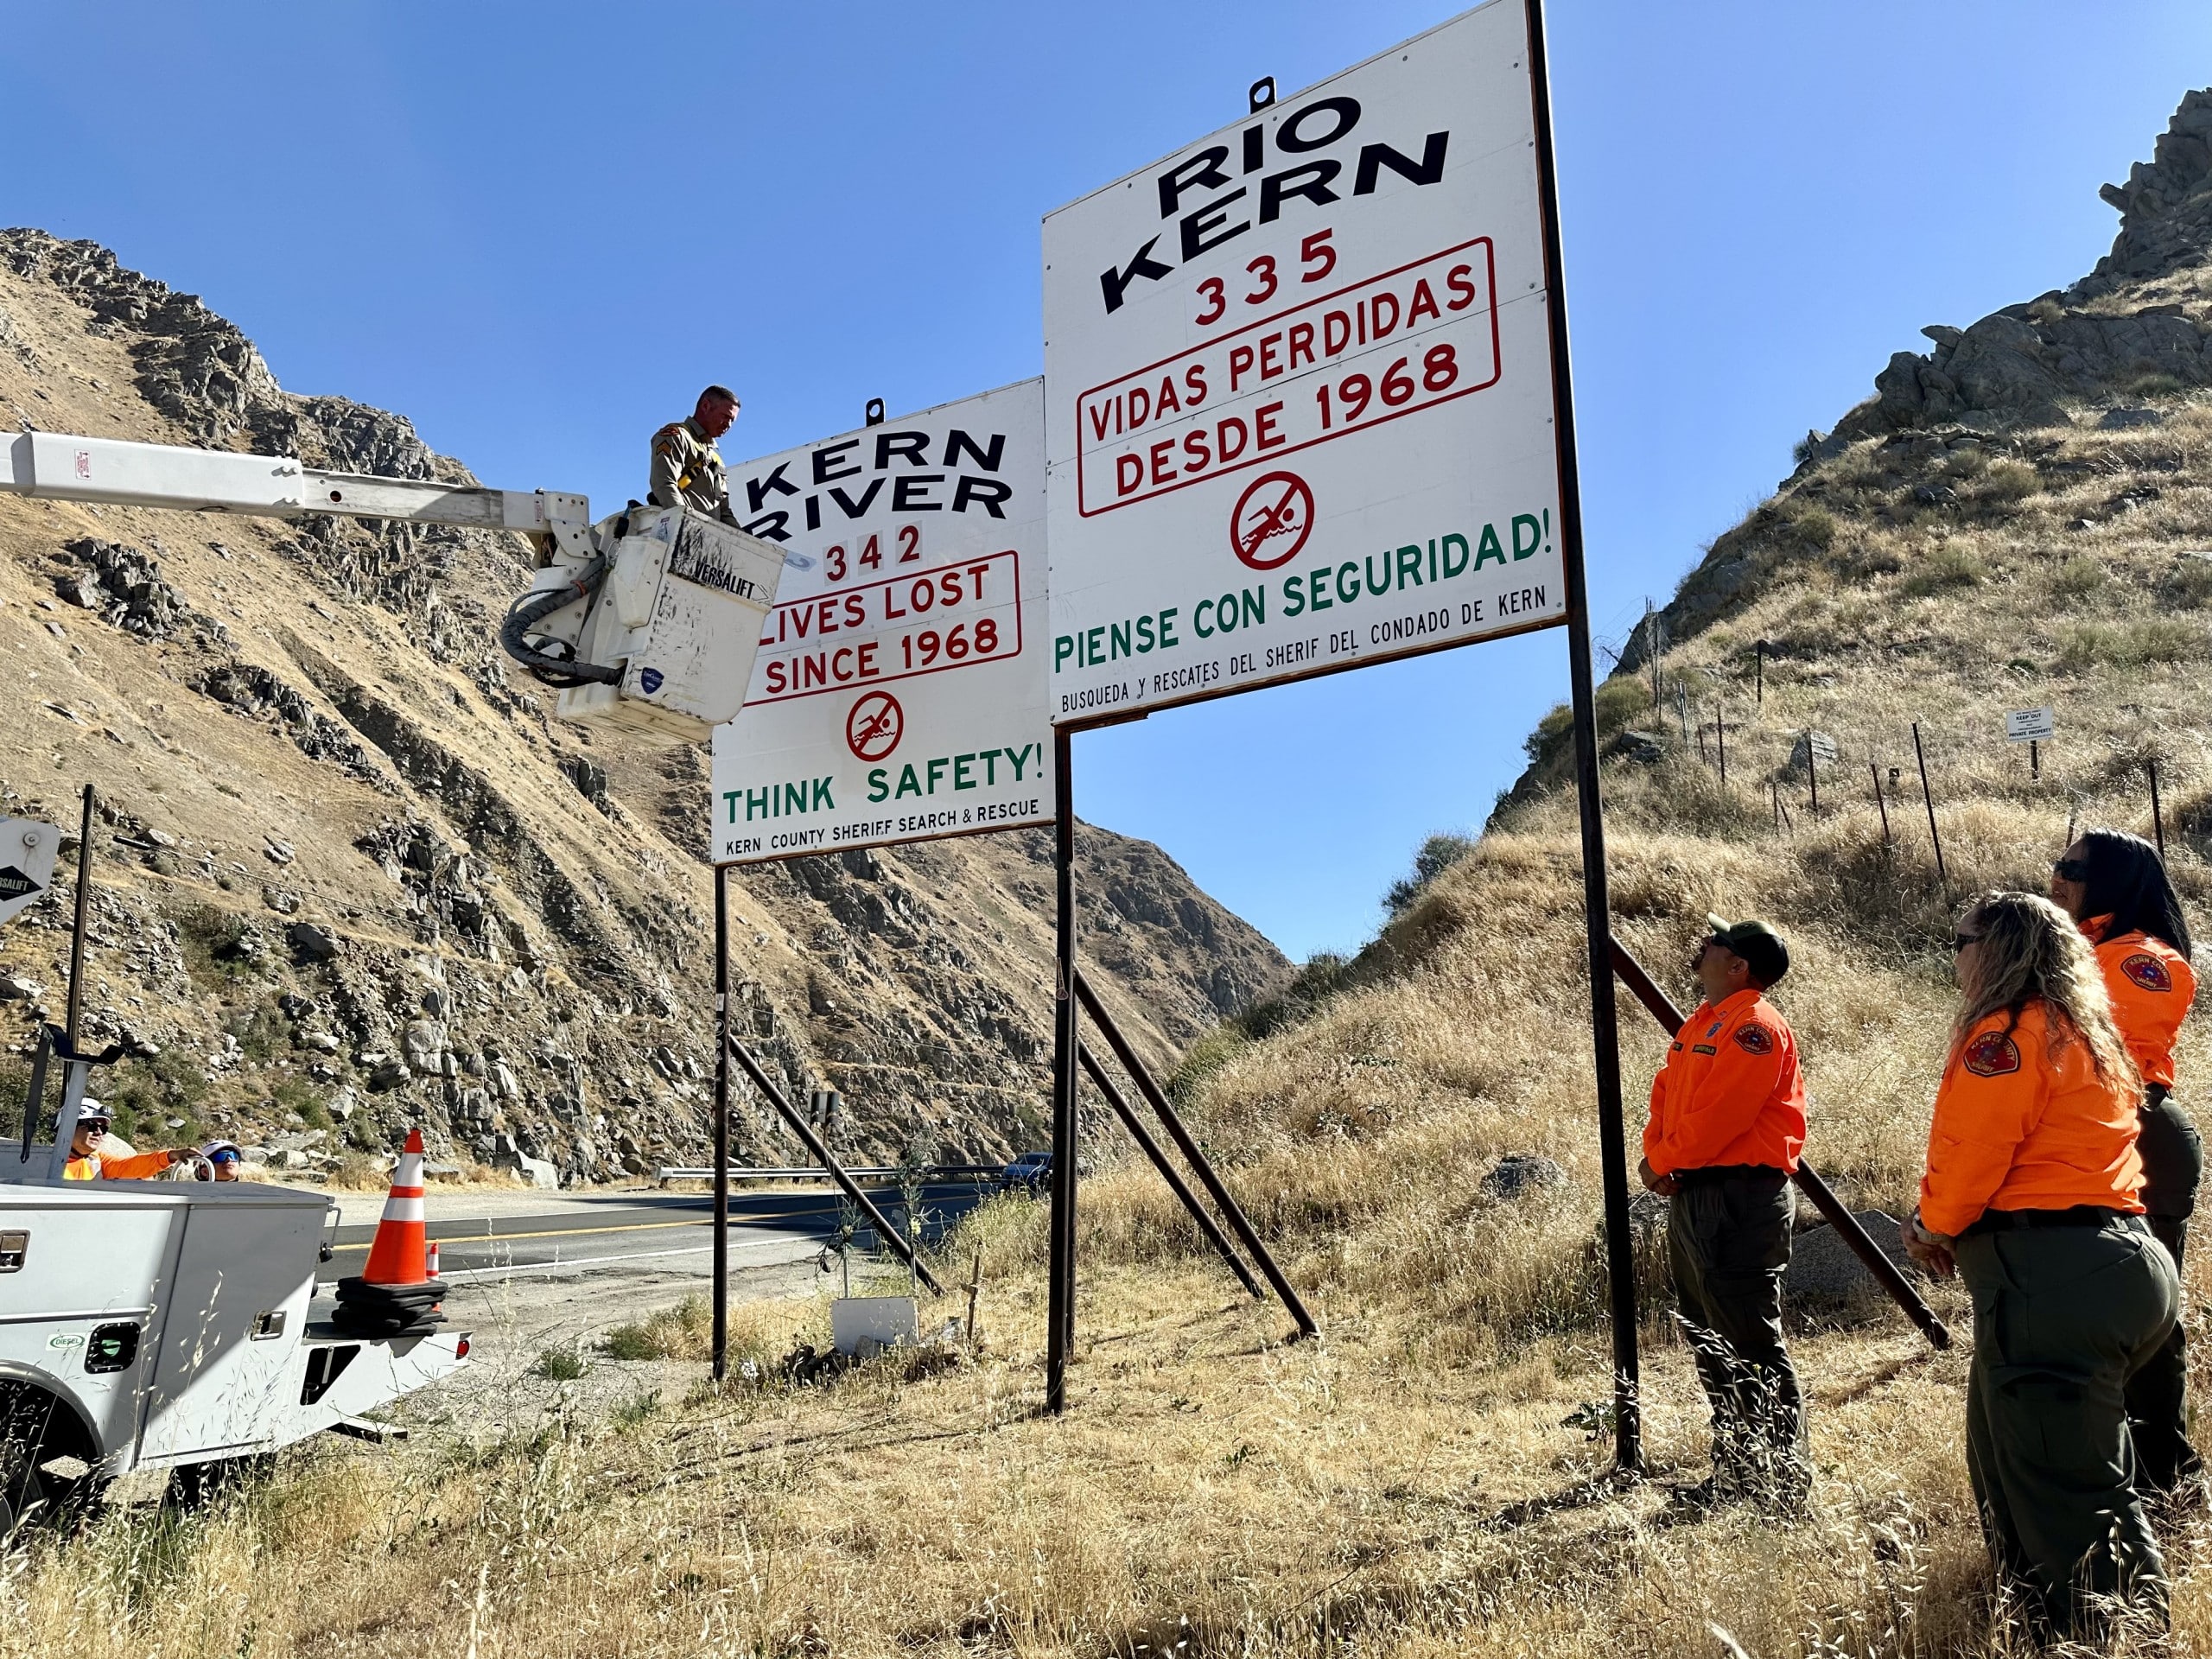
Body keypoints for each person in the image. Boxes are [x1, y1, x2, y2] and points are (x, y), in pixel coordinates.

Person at [1903, 891, 2177, 1640]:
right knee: (2016, 1461)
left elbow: (1975, 1155)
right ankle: (2045, 1627)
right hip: (2114, 1261)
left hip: (2050, 1274)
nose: (1952, 955)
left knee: (2066, 1488)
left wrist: (1932, 1223)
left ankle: (2121, 1641)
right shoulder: (2085, 1030)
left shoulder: (2008, 1033)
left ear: (1995, 950)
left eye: (1959, 940)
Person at [2050, 828, 2202, 1497]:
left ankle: (2163, 1469)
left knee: (2144, 1320)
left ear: (2109, 880)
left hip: (2135, 1138)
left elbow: (2116, 1062)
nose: (2056, 878)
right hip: (2095, 1140)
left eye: (2071, 867)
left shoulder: (2143, 959)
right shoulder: (2087, 951)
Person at [1639, 915, 1810, 1506]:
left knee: (1750, 1341)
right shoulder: (1702, 1022)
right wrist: (1660, 1158)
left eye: (1716, 942)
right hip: (1697, 1192)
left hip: (1739, 1196)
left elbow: (1722, 1116)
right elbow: (1666, 1096)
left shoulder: (1754, 1027)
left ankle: (1782, 1484)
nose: (1703, 944)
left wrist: (1665, 1162)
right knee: (1708, 1336)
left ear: (1738, 966)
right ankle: (1739, 1473)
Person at [648, 385, 742, 524]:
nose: (728, 425)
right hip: (677, 531)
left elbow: (724, 512)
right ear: (705, 406)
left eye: (732, 420)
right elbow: (664, 484)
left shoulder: (717, 459)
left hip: (705, 538)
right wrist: (684, 524)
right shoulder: (677, 435)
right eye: (725, 416)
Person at [60, 1106, 195, 1180]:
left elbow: (132, 1166)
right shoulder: (45, 1161)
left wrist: (170, 1156)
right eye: (92, 1126)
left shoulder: (95, 1161)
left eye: (104, 1128)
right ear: (68, 1126)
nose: (99, 1132)